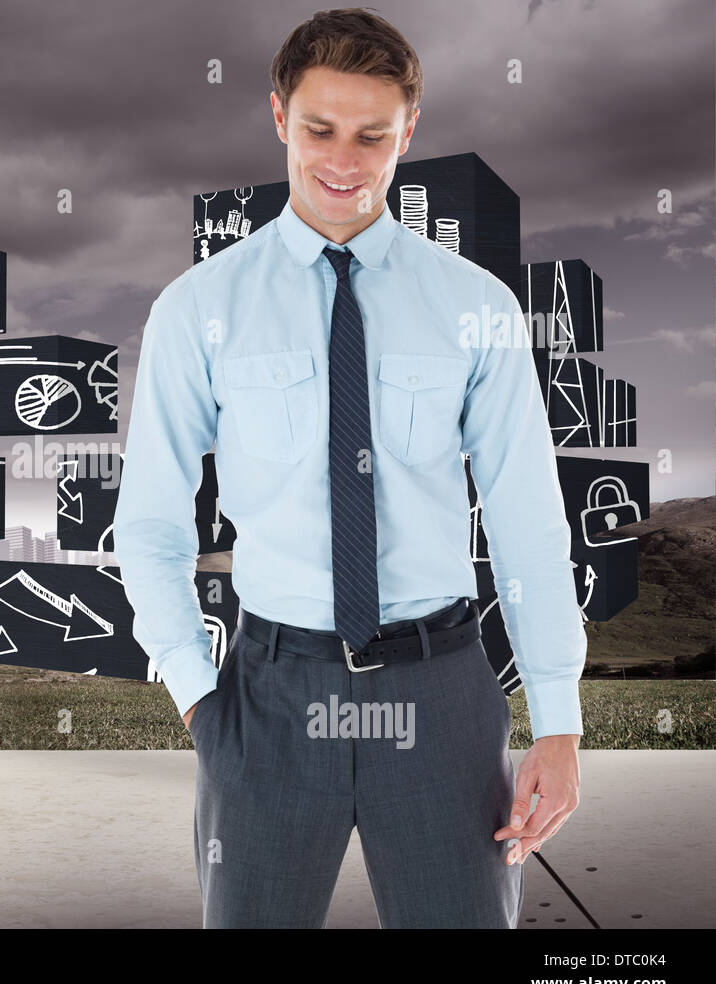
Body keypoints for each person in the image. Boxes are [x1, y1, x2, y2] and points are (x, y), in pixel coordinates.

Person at [112, 7, 585, 929]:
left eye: (373, 135)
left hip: (443, 695)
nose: (345, 159)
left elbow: (528, 517)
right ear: (280, 117)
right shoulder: (197, 308)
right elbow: (154, 520)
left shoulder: (476, 308)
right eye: (321, 128)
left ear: (409, 130)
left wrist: (559, 721)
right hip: (269, 698)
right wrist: (200, 702)